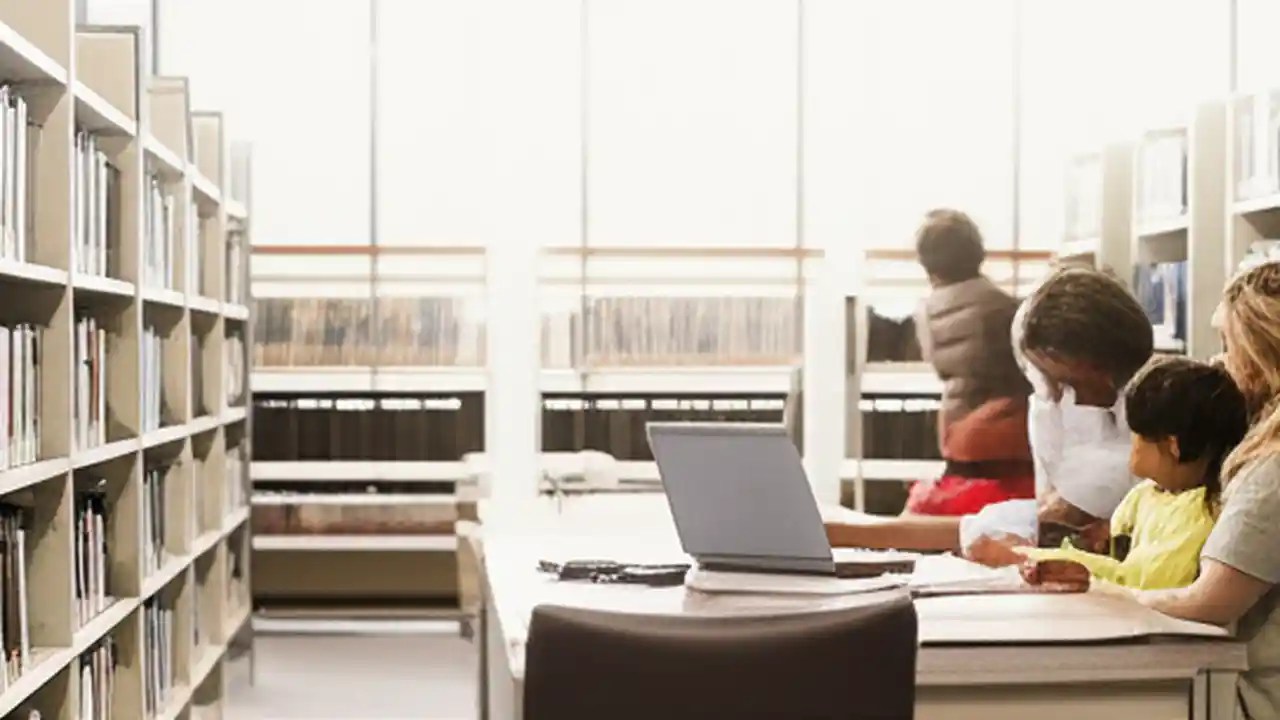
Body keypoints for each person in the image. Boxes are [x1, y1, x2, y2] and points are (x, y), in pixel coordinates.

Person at [827, 267, 1154, 559]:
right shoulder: (1050, 399)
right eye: (1049, 380)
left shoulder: (1145, 419)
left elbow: (1067, 515)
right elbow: (1050, 506)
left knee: (985, 525)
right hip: (1059, 534)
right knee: (981, 524)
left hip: (1107, 553)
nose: (1058, 394)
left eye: (1069, 382)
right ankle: (849, 530)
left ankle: (851, 531)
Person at [1132, 263, 1280, 719]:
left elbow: (1208, 603)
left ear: (1260, 353)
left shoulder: (1271, 466)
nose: (1219, 363)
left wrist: (1108, 598)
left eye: (1228, 346)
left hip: (1255, 698)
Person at [1022, 357, 1248, 590]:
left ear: (1172, 446)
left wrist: (1078, 567)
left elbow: (1145, 585)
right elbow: (1117, 555)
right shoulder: (1147, 494)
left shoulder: (1200, 515)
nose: (1132, 455)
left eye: (1137, 438)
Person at [904, 209, 1034, 516]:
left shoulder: (926, 313)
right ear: (977, 251)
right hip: (1008, 433)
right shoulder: (1003, 309)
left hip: (957, 429)